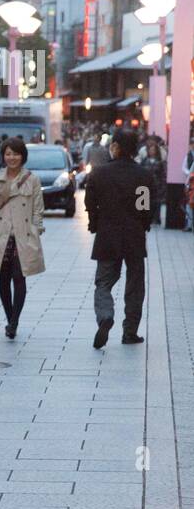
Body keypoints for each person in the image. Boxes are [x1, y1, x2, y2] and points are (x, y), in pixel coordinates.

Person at [85, 130, 152, 348]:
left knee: (103, 283)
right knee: (135, 285)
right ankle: (130, 331)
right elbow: (146, 208)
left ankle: (105, 315)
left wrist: (95, 224)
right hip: (134, 236)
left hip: (107, 235)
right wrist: (143, 225)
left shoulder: (99, 173)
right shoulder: (143, 175)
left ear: (115, 146)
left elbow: (90, 204)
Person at [0, 137, 44, 339]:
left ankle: (14, 320)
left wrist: (36, 229)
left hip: (23, 234)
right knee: (3, 278)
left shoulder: (32, 179)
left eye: (16, 153)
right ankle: (9, 318)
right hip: (1, 234)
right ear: (3, 156)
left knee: (19, 276)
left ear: (23, 155)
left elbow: (38, 208)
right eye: (8, 153)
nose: (12, 157)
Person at [139, 137, 165, 227]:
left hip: (156, 185)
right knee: (145, 202)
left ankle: (156, 219)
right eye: (150, 150)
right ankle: (146, 218)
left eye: (153, 150)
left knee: (156, 203)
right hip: (146, 185)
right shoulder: (144, 161)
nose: (151, 152)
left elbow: (162, 175)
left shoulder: (160, 162)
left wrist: (162, 187)